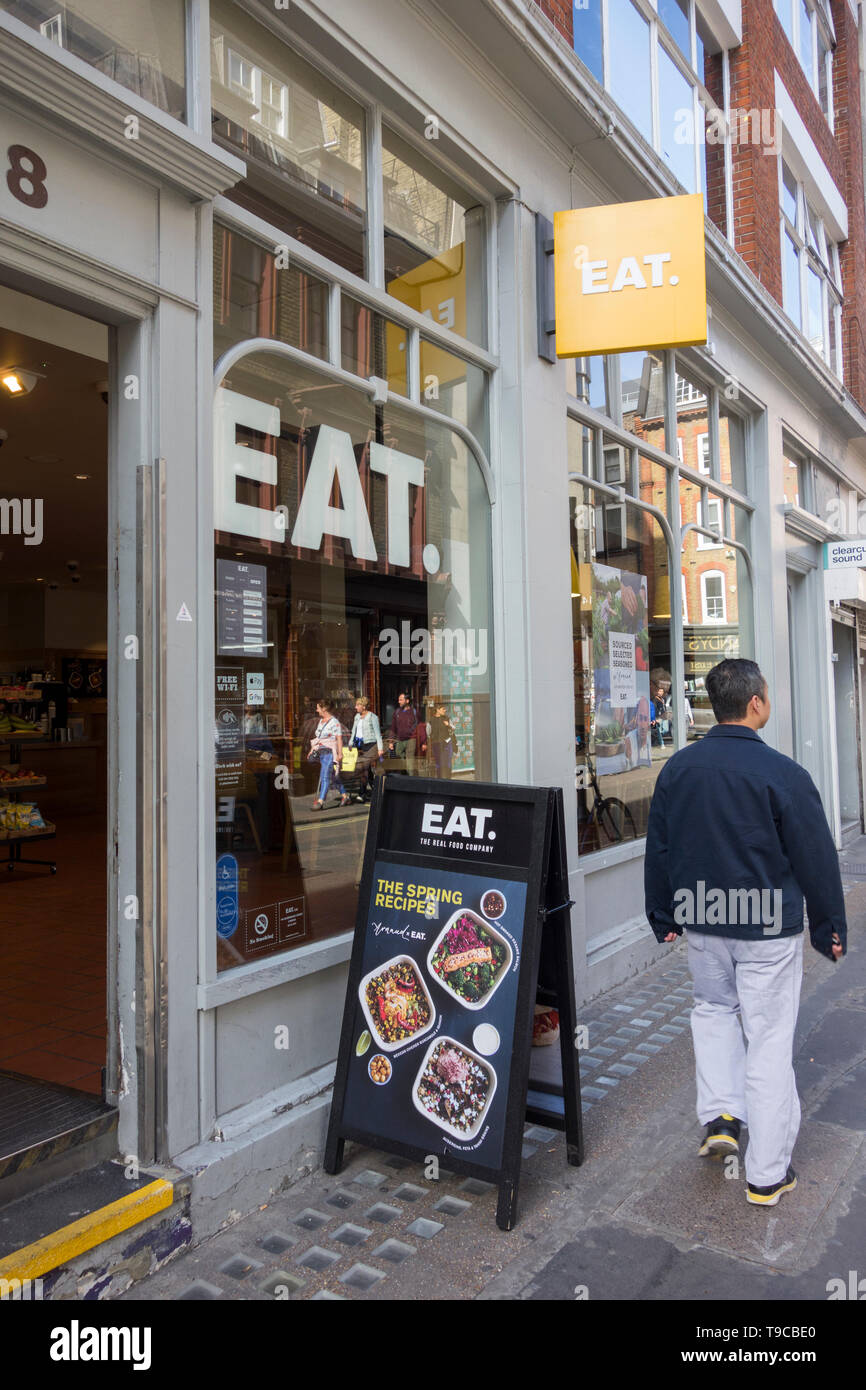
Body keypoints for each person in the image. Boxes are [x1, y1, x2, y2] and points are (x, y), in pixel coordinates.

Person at [644, 658, 845, 1208]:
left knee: (712, 1013)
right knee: (769, 1039)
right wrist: (828, 925)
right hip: (766, 927)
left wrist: (661, 914)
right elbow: (815, 856)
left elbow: (658, 847)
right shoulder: (783, 774)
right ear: (756, 704)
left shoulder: (679, 770)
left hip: (703, 920)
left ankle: (722, 1118)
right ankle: (766, 1174)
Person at [310, 698, 348, 810]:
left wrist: (340, 754)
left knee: (324, 776)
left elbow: (339, 739)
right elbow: (318, 738)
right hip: (321, 751)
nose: (317, 710)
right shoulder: (320, 722)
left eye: (318, 708)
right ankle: (345, 796)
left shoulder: (334, 722)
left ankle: (320, 801)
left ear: (324, 708)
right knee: (332, 776)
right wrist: (312, 750)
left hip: (329, 752)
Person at [347, 695, 383, 802]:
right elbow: (354, 731)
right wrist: (350, 742)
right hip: (360, 746)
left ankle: (362, 794)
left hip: (371, 745)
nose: (355, 707)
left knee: (364, 770)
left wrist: (380, 749)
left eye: (358, 705)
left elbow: (378, 734)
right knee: (368, 771)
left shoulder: (373, 717)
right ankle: (378, 793)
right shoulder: (357, 717)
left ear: (364, 706)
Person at [387, 691, 418, 775]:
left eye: (401, 700)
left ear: (407, 701)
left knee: (410, 759)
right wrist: (391, 741)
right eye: (399, 700)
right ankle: (405, 771)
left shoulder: (414, 712)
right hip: (400, 739)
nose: (399, 702)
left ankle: (411, 778)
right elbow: (393, 727)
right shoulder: (397, 712)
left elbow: (418, 726)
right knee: (398, 754)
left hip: (411, 739)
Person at [428, 700, 458, 779]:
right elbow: (428, 732)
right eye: (443, 709)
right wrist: (432, 739)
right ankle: (440, 779)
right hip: (436, 743)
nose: (445, 710)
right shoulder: (431, 720)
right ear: (437, 710)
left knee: (447, 762)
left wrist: (448, 725)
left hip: (447, 743)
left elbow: (453, 728)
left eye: (445, 709)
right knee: (438, 763)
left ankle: (448, 778)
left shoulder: (446, 719)